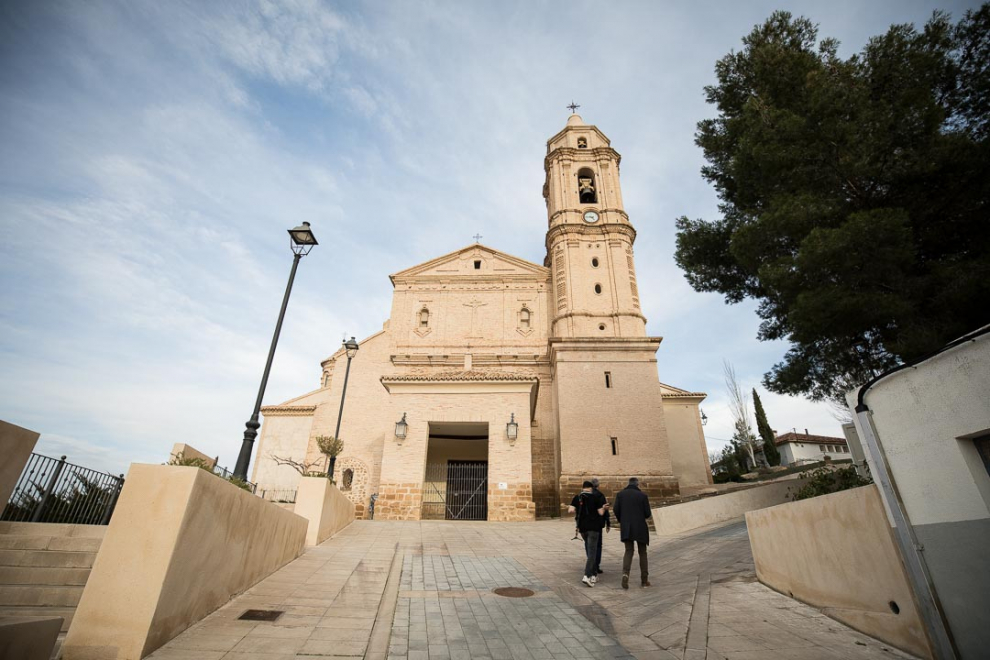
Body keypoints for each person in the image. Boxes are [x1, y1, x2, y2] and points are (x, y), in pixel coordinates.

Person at [612, 477, 652, 589]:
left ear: (628, 484)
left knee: (628, 551)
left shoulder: (620, 495)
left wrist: (622, 520)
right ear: (637, 484)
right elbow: (647, 513)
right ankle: (644, 580)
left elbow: (616, 509)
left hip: (627, 527)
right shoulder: (643, 496)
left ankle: (625, 574)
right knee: (642, 552)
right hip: (640, 526)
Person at [568, 480, 606, 587]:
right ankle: (587, 575)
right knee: (592, 553)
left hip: (582, 529)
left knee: (590, 551)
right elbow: (601, 513)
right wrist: (604, 507)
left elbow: (570, 510)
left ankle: (593, 575)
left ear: (583, 488)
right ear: (591, 488)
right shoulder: (595, 498)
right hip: (594, 528)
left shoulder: (577, 497)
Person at [591, 478, 611, 575]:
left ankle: (591, 565)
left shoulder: (585, 495)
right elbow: (605, 510)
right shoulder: (601, 495)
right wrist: (608, 523)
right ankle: (596, 566)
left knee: (590, 546)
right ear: (598, 486)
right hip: (598, 524)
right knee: (598, 545)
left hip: (587, 525)